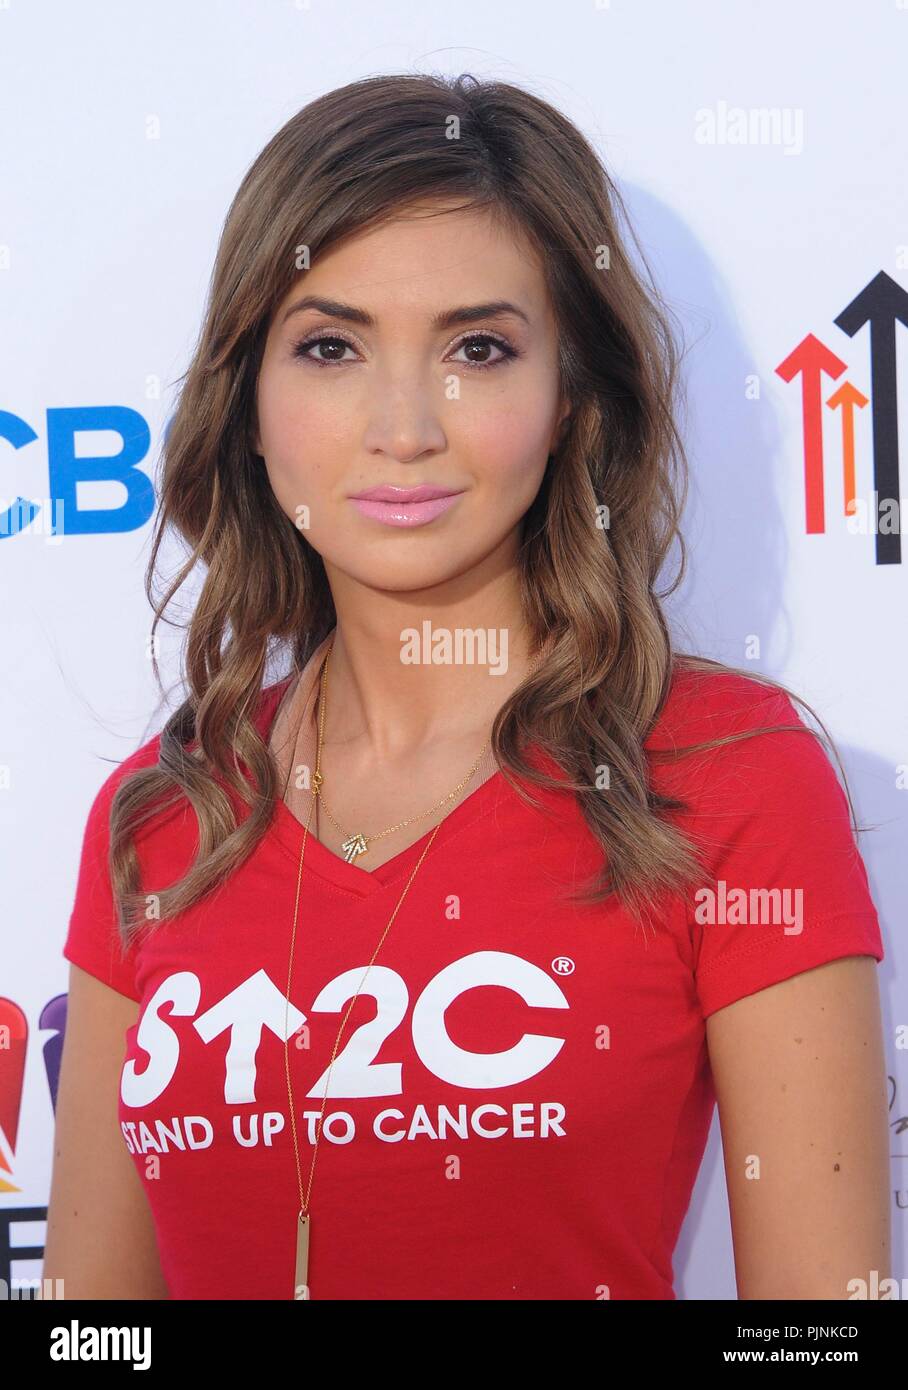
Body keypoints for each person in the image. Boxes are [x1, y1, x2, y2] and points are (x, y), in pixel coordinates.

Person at [44, 73, 889, 1301]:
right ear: (250, 401)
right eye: (329, 346)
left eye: (476, 349)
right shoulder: (163, 814)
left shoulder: (722, 772)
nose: (403, 425)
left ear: (568, 404)